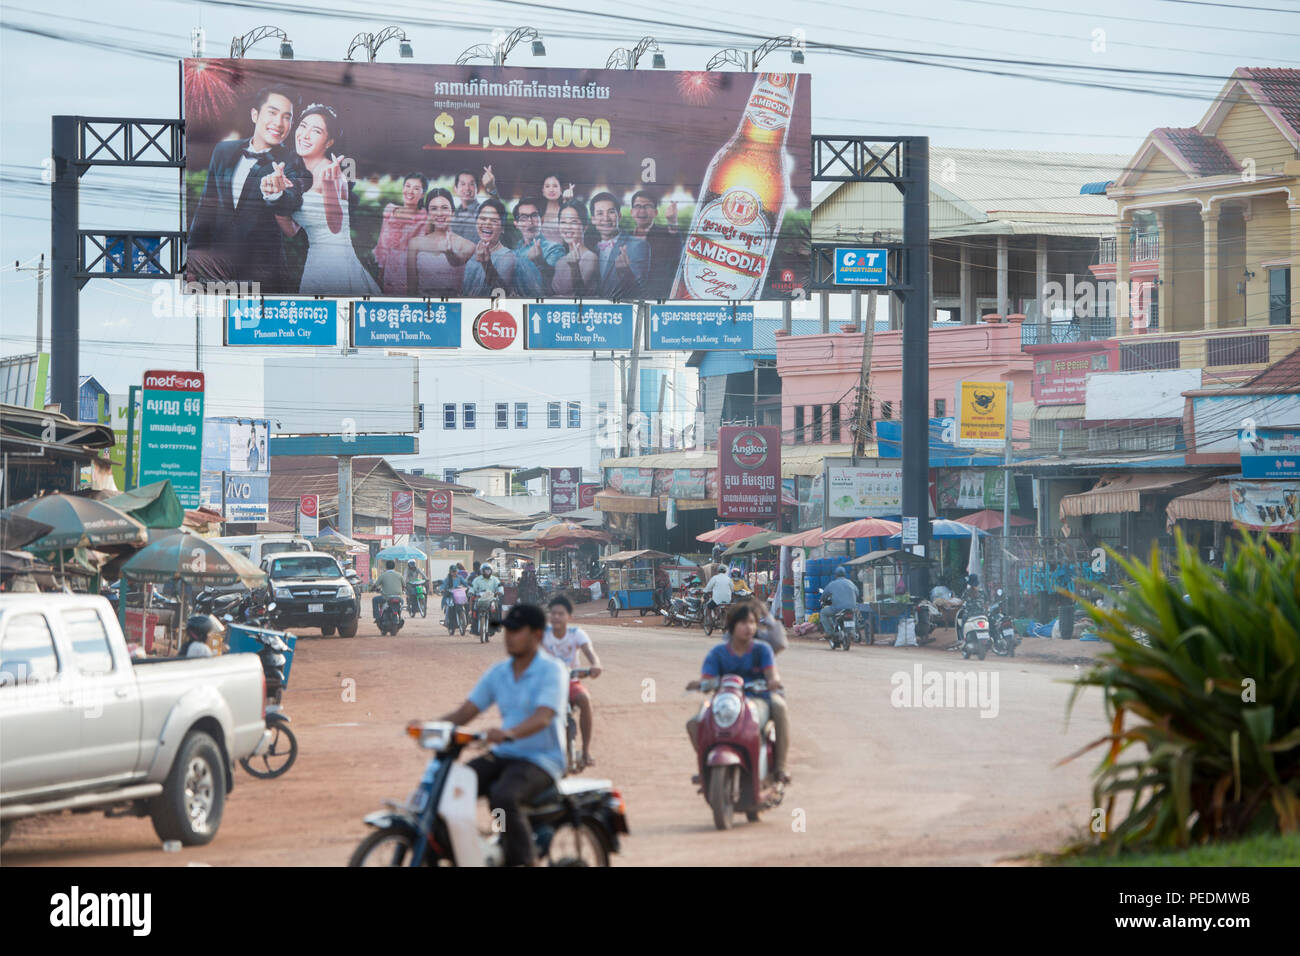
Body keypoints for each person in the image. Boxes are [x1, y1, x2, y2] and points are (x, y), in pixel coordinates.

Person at [438, 604, 568, 867]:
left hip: (541, 759)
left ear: (537, 635)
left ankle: (526, 860)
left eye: (516, 630)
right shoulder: (499, 672)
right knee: (451, 788)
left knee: (503, 797)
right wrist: (431, 727)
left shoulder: (552, 671)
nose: (508, 636)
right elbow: (466, 711)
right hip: (505, 754)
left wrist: (508, 733)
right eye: (507, 630)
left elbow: (543, 717)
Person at [187, 86, 310, 292]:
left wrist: (276, 193)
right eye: (272, 113)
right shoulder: (223, 151)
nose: (279, 123)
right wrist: (190, 263)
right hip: (217, 271)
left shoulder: (293, 161)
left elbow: (293, 196)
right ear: (255, 115)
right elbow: (205, 208)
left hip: (264, 277)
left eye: (287, 117)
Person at [265, 103, 381, 295]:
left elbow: (335, 228)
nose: (305, 134)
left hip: (338, 266)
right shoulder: (295, 174)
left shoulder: (334, 174)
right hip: (314, 264)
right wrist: (275, 198)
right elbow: (292, 230)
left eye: (316, 131)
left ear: (329, 142)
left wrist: (328, 186)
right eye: (303, 126)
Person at [686, 602, 790, 783]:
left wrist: (773, 681)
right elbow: (708, 678)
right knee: (694, 723)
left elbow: (772, 671)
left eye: (752, 622)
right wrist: (702, 684)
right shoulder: (718, 652)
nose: (748, 627)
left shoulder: (762, 649)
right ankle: (706, 768)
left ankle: (780, 768)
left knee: (780, 707)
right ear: (732, 626)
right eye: (743, 623)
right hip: (727, 700)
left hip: (759, 697)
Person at [542, 595, 602, 768]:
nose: (556, 617)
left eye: (561, 614)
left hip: (571, 682)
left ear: (569, 617)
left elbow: (588, 650)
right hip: (549, 684)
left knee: (585, 700)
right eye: (553, 613)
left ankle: (585, 752)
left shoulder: (576, 633)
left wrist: (595, 664)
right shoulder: (543, 634)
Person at [407, 187, 475, 296]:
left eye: (444, 208)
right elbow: (411, 290)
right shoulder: (415, 244)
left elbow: (459, 261)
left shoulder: (467, 245)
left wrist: (450, 254)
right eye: (434, 208)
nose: (439, 213)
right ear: (428, 213)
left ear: (452, 211)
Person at [372, 172, 429, 294]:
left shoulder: (425, 216)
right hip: (390, 271)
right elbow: (382, 246)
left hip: (413, 274)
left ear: (422, 194)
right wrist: (380, 276)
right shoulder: (389, 210)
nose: (410, 191)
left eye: (416, 188)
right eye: (407, 186)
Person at [589, 192, 649, 299]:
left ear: (619, 216)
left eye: (611, 212)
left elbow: (641, 293)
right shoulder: (591, 250)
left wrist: (625, 272)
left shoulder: (638, 245)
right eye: (600, 213)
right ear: (593, 219)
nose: (606, 218)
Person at [629, 189, 683, 295]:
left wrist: (672, 222)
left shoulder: (664, 234)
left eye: (647, 206)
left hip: (657, 296)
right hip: (628, 296)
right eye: (638, 206)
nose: (642, 210)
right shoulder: (624, 237)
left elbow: (677, 252)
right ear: (631, 212)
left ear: (655, 212)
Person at [461, 199, 517, 297]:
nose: (487, 224)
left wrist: (486, 264)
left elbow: (501, 292)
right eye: (483, 219)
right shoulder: (471, 251)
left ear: (502, 228)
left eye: (494, 221)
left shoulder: (507, 256)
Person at [510, 196, 565, 296]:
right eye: (523, 218)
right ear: (516, 224)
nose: (530, 222)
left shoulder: (555, 249)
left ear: (542, 220)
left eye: (534, 216)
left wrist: (540, 262)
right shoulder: (514, 253)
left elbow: (556, 287)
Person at [551, 199, 598, 296]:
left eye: (573, 222)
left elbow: (579, 294)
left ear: (584, 227)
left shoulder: (591, 258)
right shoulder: (560, 262)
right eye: (563, 222)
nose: (567, 227)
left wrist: (574, 267)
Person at [450, 167, 499, 242]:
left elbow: (498, 209)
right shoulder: (453, 215)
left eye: (472, 184)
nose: (467, 188)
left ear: (478, 189)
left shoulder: (483, 211)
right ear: (455, 189)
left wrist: (490, 187)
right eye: (463, 184)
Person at [538, 172, 574, 244]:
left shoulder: (566, 210)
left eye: (555, 186)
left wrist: (567, 202)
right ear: (543, 191)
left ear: (561, 190)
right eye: (547, 186)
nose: (551, 190)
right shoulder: (537, 211)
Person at [470, 562, 503, 631]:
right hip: (480, 599)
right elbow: (472, 588)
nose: (487, 572)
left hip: (491, 598)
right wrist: (471, 592)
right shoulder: (477, 579)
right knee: (474, 608)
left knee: (498, 607)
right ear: (482, 571)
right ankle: (473, 626)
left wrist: (499, 591)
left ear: (491, 571)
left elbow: (500, 587)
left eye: (489, 570)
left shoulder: (495, 579)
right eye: (486, 570)